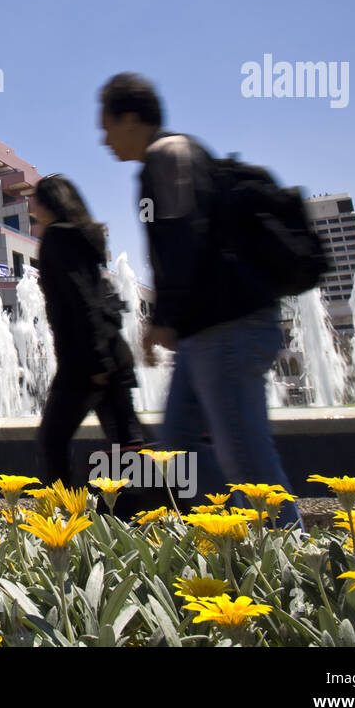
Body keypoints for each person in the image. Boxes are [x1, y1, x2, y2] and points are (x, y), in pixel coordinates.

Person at [98, 72, 301, 527]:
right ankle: (231, 533)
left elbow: (184, 238)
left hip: (227, 327)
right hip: (208, 331)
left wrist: (165, 316)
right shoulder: (176, 155)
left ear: (131, 118)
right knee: (179, 447)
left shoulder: (166, 156)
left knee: (247, 460)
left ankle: (294, 563)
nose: (103, 139)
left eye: (107, 125)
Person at [30, 175, 147, 490]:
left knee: (52, 441)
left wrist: (97, 364)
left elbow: (81, 302)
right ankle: (149, 517)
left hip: (86, 364)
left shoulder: (56, 239)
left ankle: (67, 519)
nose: (31, 205)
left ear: (50, 203)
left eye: (35, 199)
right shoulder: (81, 238)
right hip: (110, 353)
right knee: (130, 444)